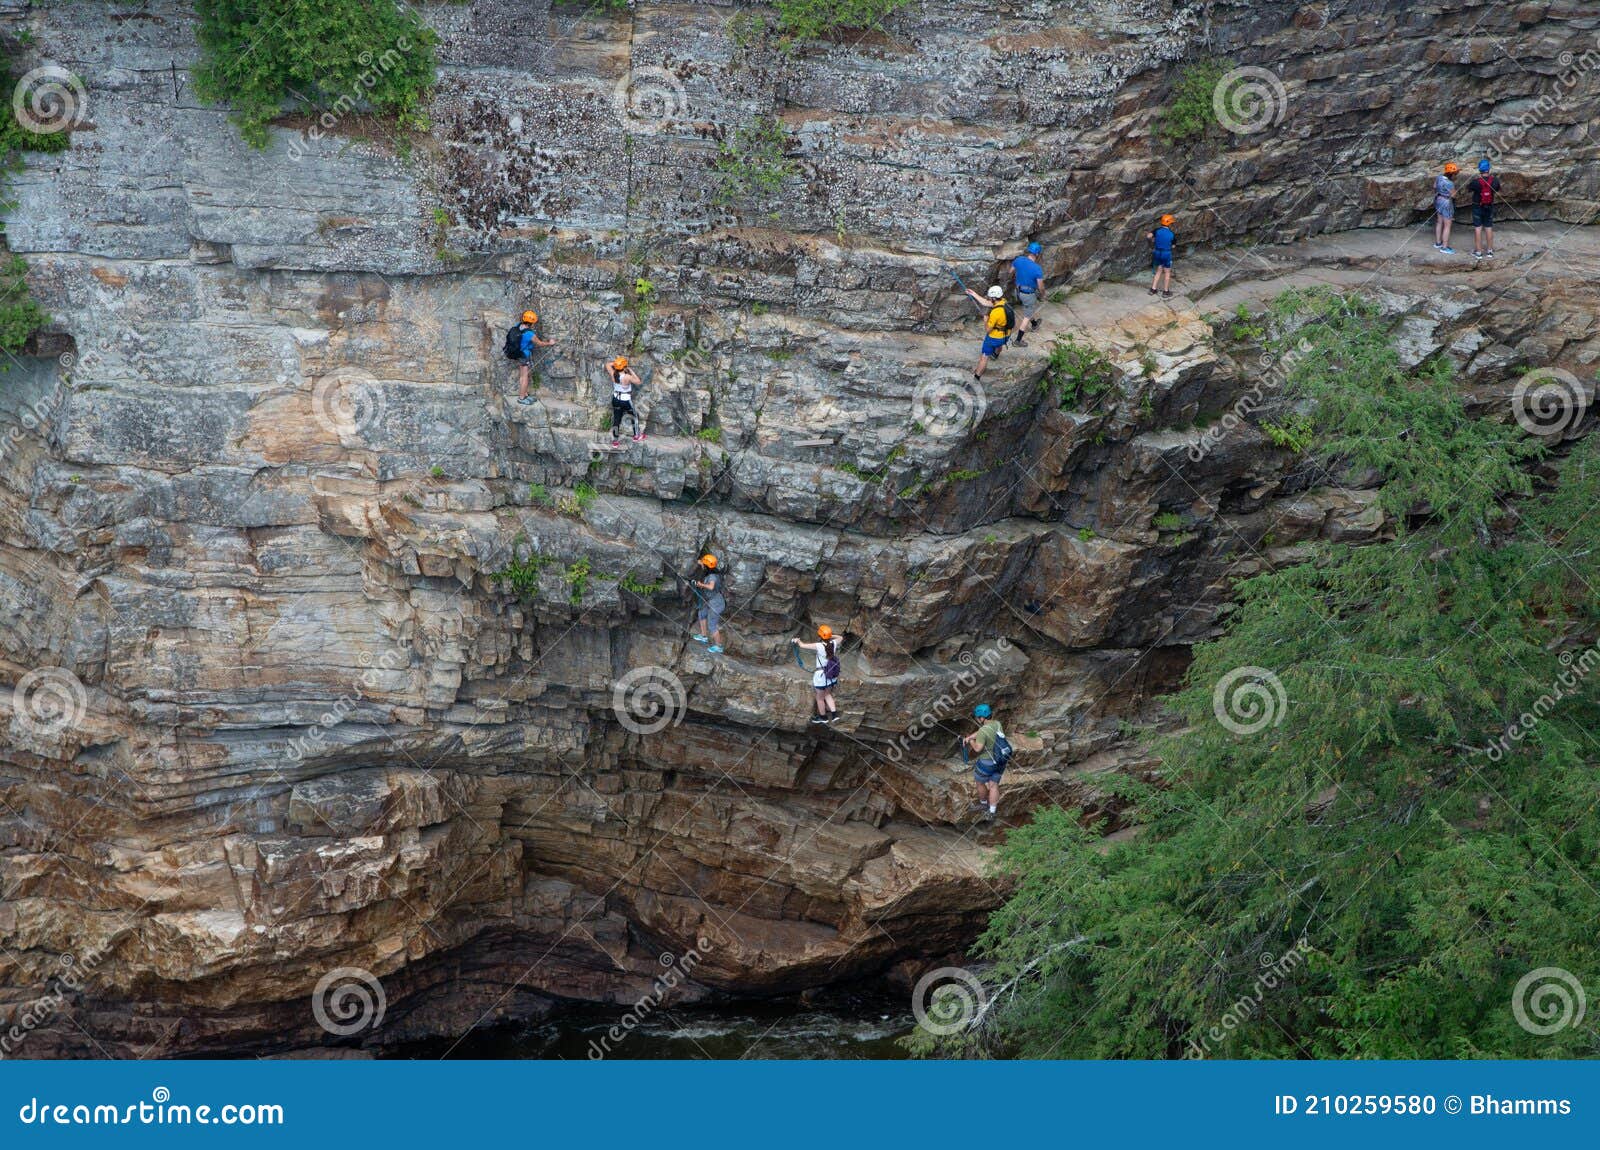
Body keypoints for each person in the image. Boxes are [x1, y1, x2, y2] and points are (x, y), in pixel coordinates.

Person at [963, 703, 1008, 817]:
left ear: (982, 718)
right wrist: (971, 736)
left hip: (987, 763)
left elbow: (978, 749)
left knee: (980, 782)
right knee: (993, 785)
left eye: (978, 717)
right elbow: (983, 731)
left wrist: (970, 741)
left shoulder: (983, 731)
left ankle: (983, 804)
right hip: (1001, 761)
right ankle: (992, 811)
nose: (977, 719)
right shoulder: (997, 724)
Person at [962, 284, 1014, 379]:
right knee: (999, 344)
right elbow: (985, 303)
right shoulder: (1003, 302)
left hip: (994, 338)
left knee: (984, 357)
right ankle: (995, 354)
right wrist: (973, 293)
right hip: (1006, 334)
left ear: (994, 298)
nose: (989, 299)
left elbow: (988, 330)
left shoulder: (995, 313)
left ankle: (977, 376)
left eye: (990, 298)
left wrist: (986, 320)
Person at [791, 625, 840, 725]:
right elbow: (841, 638)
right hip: (830, 675)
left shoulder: (819, 645)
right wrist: (831, 636)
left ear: (820, 635)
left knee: (820, 698)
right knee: (827, 694)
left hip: (821, 677)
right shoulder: (834, 643)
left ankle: (823, 717)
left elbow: (802, 645)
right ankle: (835, 715)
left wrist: (797, 641)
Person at [510, 310, 556, 405]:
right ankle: (522, 398)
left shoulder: (518, 326)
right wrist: (550, 343)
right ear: (531, 323)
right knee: (525, 377)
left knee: (523, 375)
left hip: (518, 354)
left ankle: (524, 394)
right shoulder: (529, 334)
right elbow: (539, 343)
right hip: (524, 355)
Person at [1464, 159, 1501, 260]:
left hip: (1477, 206)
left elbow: (1468, 189)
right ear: (1488, 169)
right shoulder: (1495, 181)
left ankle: (1479, 252)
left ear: (1480, 170)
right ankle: (1489, 251)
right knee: (1489, 228)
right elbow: (1497, 189)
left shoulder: (1475, 182)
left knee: (1478, 228)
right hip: (1489, 206)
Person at [1011, 241, 1045, 345]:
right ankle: (1018, 340)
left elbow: (1011, 271)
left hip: (1018, 291)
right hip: (1028, 294)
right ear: (1037, 254)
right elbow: (1040, 286)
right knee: (1026, 316)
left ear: (1028, 251)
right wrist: (1043, 294)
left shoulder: (1019, 260)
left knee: (1028, 308)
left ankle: (1034, 323)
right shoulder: (1037, 269)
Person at [606, 355, 643, 446]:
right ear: (624, 367)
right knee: (634, 416)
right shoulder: (627, 376)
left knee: (617, 419)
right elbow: (638, 382)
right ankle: (636, 436)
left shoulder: (613, 373)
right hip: (625, 400)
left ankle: (615, 441)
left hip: (615, 399)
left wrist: (616, 363)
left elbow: (607, 364)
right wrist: (631, 371)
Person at [691, 554, 725, 654]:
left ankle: (719, 646)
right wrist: (699, 561)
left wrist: (701, 585)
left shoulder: (712, 577)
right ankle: (703, 636)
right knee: (701, 613)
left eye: (703, 564)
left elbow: (710, 587)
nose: (702, 565)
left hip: (716, 603)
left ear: (706, 567)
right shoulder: (713, 570)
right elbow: (703, 562)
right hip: (709, 600)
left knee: (712, 625)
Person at [1147, 215, 1176, 298]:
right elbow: (1173, 246)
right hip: (1166, 254)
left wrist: (1154, 240)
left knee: (1159, 270)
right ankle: (1166, 291)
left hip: (1157, 252)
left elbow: (1148, 236)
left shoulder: (1157, 230)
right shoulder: (1171, 234)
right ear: (1170, 223)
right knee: (1167, 272)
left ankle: (1153, 289)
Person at [1433, 162, 1458, 253]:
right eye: (1456, 174)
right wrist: (1455, 191)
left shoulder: (1439, 177)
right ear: (1452, 174)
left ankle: (1438, 242)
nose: (1457, 175)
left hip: (1438, 199)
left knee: (1439, 222)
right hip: (1446, 202)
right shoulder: (1450, 183)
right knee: (1447, 225)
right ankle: (1444, 247)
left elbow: (1434, 186)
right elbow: (1454, 195)